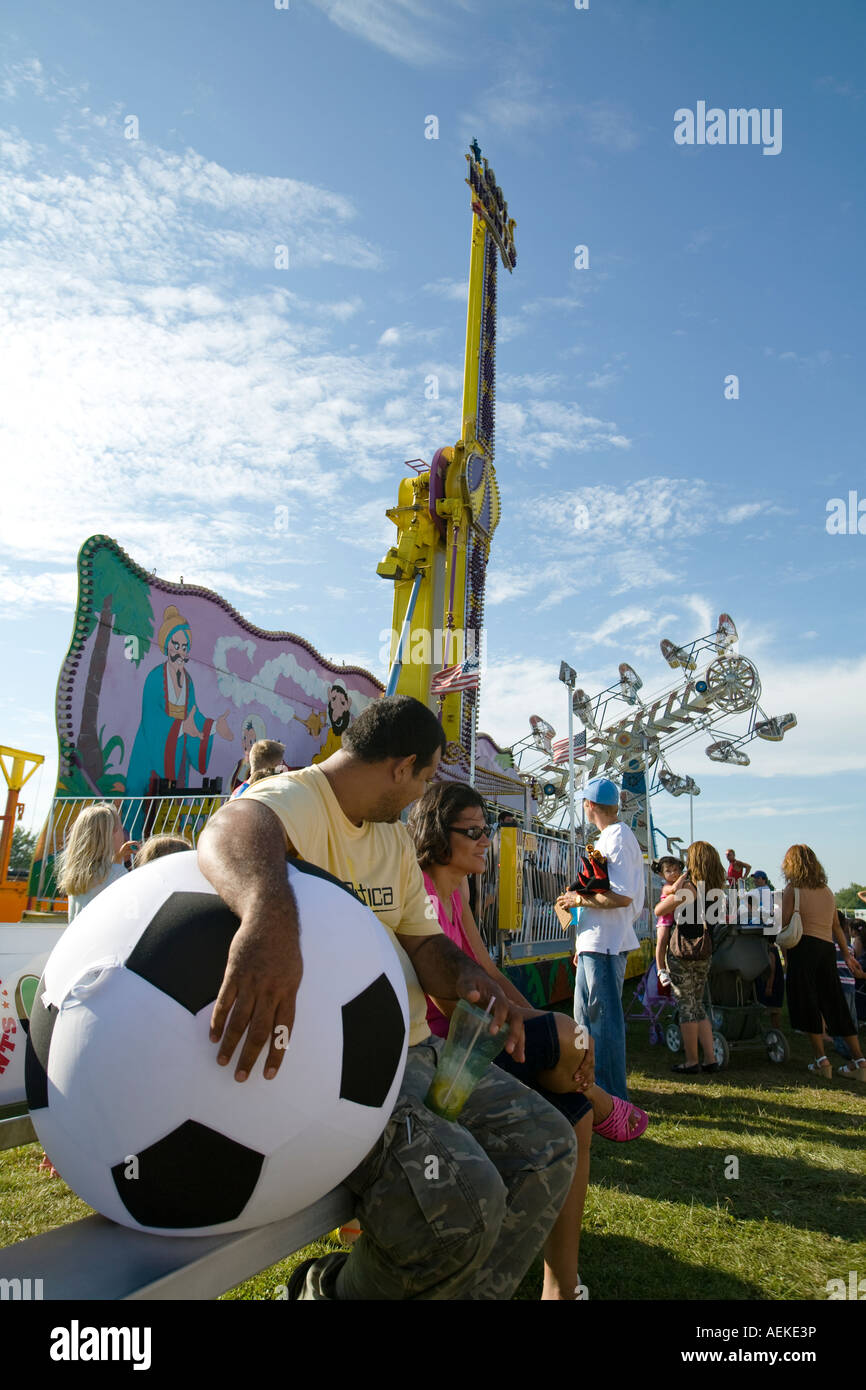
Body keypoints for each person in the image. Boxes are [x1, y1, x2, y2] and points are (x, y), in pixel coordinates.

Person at [197, 695, 577, 1301]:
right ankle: (330, 1291)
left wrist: (465, 980)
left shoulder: (393, 838)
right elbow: (228, 829)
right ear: (401, 767)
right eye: (425, 777)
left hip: (418, 1054)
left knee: (547, 1147)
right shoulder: (300, 797)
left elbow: (425, 946)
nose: (423, 794)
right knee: (468, 1203)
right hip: (345, 1073)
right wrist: (266, 914)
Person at [408, 782, 647, 1302]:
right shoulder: (421, 892)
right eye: (472, 831)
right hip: (451, 1054)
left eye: (486, 830)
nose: (485, 840)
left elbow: (488, 969)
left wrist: (538, 1020)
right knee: (573, 1047)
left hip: (484, 1035)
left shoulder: (459, 890)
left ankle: (560, 1285)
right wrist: (543, 1029)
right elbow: (453, 1001)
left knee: (574, 1105)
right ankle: (605, 1099)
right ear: (437, 833)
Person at [554, 776, 645, 1101]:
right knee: (584, 1020)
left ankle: (611, 1096)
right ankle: (588, 1088)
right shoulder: (611, 836)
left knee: (603, 1024)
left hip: (605, 943)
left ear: (589, 805)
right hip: (596, 943)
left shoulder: (618, 837)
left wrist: (578, 901)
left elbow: (622, 897)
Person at [780, 845, 865, 1082]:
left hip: (802, 948)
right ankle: (859, 1060)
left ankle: (821, 1060)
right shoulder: (827, 891)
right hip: (827, 949)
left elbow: (784, 923)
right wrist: (847, 956)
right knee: (834, 1002)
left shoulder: (792, 889)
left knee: (807, 1002)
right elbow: (836, 926)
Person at [663, 842, 725, 1075]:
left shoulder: (689, 888)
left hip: (683, 952)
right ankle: (710, 1058)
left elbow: (661, 910)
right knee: (698, 1005)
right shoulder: (716, 889)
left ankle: (691, 1060)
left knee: (686, 1006)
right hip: (705, 952)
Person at [57, 803, 136, 921]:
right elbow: (129, 915)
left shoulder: (76, 876)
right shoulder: (117, 874)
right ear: (110, 835)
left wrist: (117, 859)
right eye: (120, 828)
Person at [652, 856, 684, 993]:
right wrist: (684, 876)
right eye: (669, 871)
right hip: (665, 920)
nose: (673, 873)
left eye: (676, 870)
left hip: (675, 920)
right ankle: (661, 969)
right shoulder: (666, 886)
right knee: (662, 941)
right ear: (661, 874)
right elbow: (674, 889)